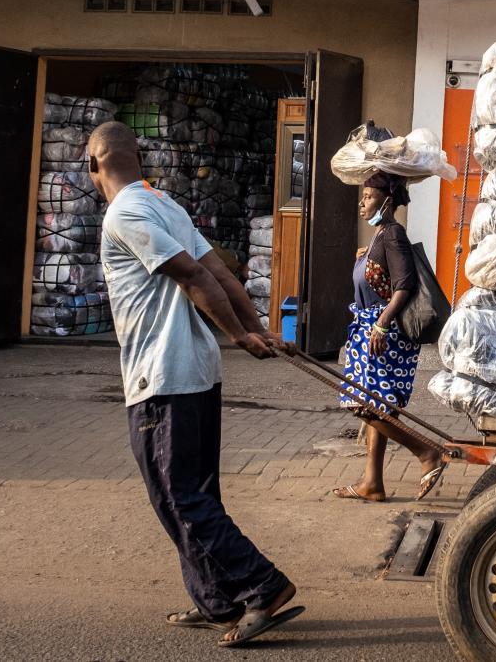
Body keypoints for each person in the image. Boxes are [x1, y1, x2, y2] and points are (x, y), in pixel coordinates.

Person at [87, 120, 303, 648]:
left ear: (93, 164)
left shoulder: (124, 213)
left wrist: (241, 335)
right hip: (195, 374)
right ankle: (216, 601)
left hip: (164, 375)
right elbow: (223, 274)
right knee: (192, 494)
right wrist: (257, 328)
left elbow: (196, 276)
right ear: (138, 158)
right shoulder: (166, 205)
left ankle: (262, 585)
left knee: (179, 497)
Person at [332, 171, 446, 502]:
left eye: (368, 197)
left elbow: (404, 286)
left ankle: (427, 453)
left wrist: (381, 324)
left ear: (386, 201)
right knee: (378, 406)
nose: (362, 203)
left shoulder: (393, 234)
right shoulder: (380, 235)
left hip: (383, 332)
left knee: (365, 405)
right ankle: (372, 483)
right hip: (370, 327)